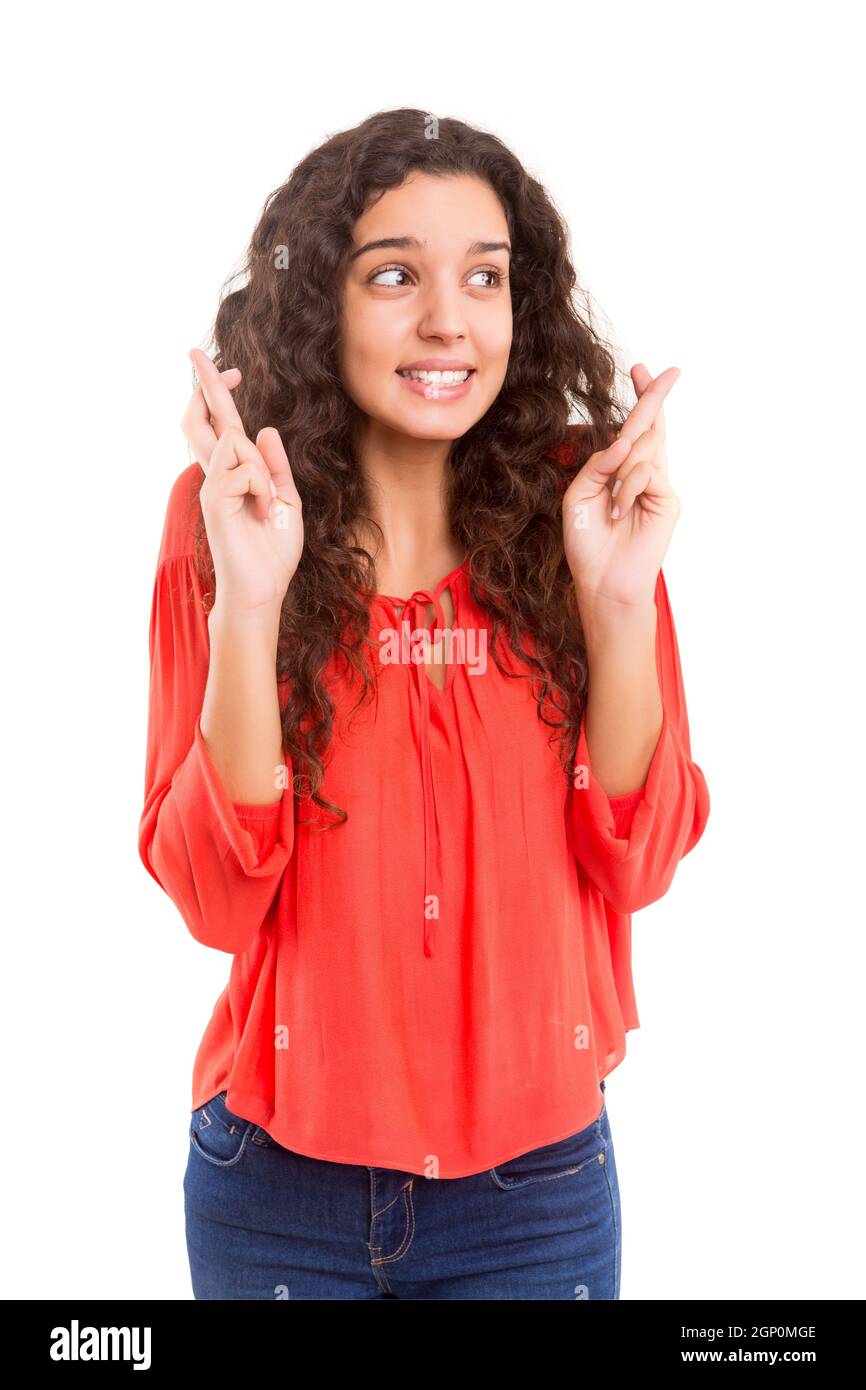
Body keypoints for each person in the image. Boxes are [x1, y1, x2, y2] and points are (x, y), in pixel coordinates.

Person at [139, 108, 710, 1300]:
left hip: (532, 1195)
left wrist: (614, 604)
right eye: (393, 275)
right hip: (273, 1182)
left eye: (484, 278)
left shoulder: (582, 510)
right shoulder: (230, 514)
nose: (447, 319)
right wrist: (249, 605)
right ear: (320, 306)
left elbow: (639, 860)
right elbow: (212, 892)